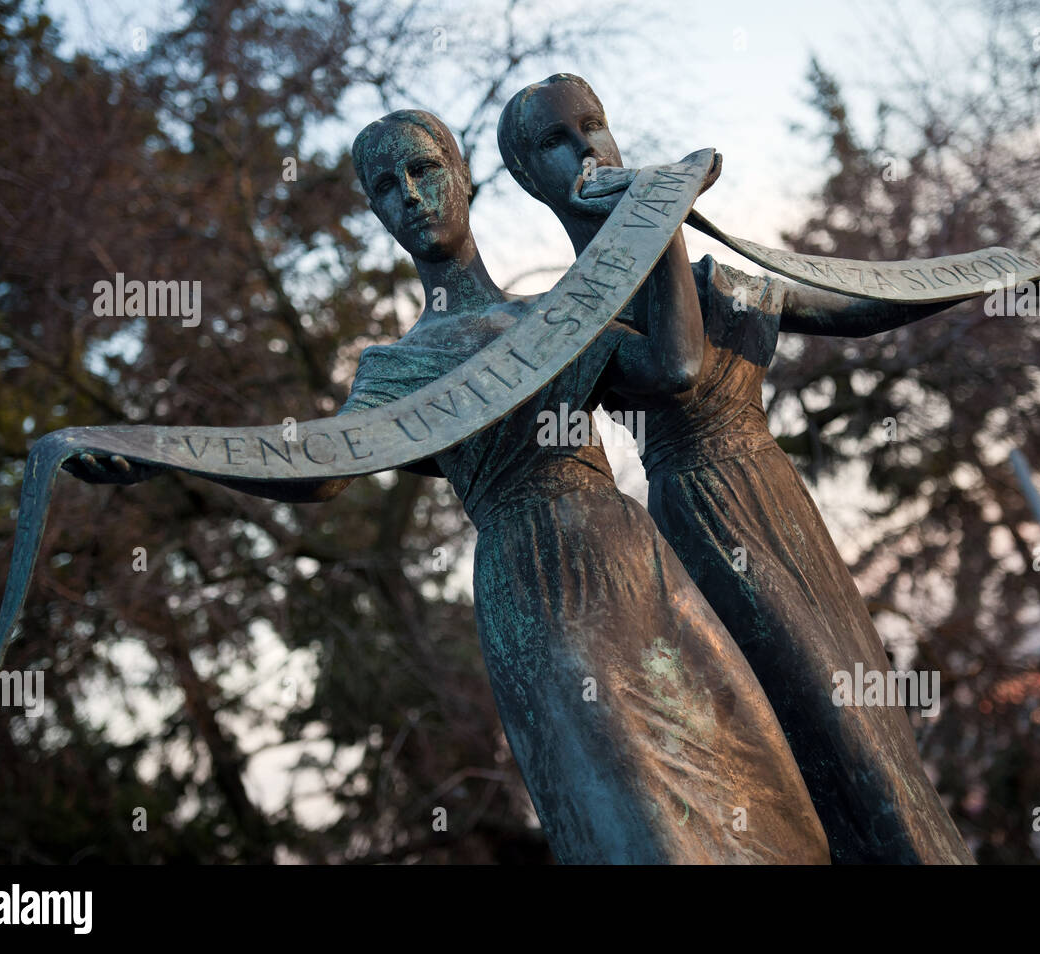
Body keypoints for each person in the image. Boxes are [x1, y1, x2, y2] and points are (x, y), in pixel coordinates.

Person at [498, 74, 973, 863]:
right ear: (528, 177)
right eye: (556, 140)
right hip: (708, 522)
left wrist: (984, 274)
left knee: (882, 744)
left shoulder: (723, 281)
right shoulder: (568, 322)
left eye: (594, 125)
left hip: (779, 500)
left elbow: (854, 304)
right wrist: (663, 218)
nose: (587, 147)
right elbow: (677, 367)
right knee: (837, 738)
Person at [338, 109, 830, 863]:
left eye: (423, 171)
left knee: (760, 789)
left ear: (462, 175)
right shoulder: (391, 371)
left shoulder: (556, 315)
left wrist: (655, 219)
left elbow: (673, 368)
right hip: (535, 580)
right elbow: (321, 471)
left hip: (631, 553)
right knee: (639, 812)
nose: (409, 195)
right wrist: (170, 456)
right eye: (385, 186)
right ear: (375, 212)